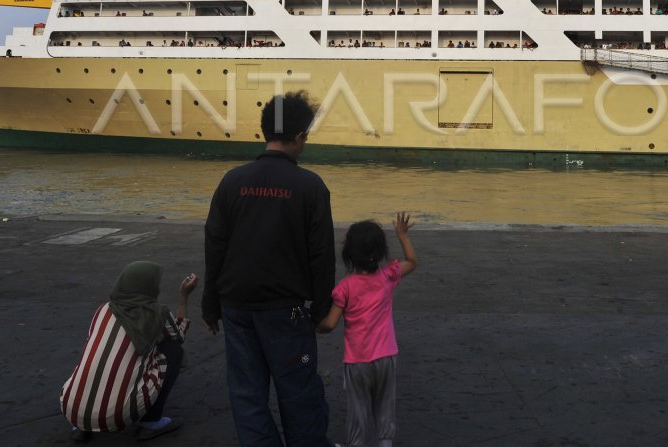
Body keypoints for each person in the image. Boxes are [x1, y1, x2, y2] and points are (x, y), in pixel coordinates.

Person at [203, 91, 336, 446]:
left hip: (236, 307)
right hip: (286, 311)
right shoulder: (310, 186)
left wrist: (210, 303)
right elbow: (322, 254)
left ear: (266, 131)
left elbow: (215, 245)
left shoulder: (232, 181)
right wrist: (322, 308)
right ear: (299, 136)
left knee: (247, 394)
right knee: (299, 389)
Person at [61, 262, 197, 443]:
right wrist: (184, 297)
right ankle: (151, 422)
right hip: (118, 416)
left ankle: (82, 425)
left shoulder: (103, 310)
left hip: (71, 408)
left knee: (100, 352)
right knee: (173, 351)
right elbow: (178, 336)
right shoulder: (157, 313)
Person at [317, 213, 418, 447]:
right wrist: (402, 235)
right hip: (387, 356)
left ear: (349, 254)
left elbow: (330, 323)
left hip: (358, 361)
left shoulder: (345, 288)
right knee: (385, 408)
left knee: (358, 411)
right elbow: (412, 261)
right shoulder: (388, 276)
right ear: (380, 252)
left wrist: (315, 326)